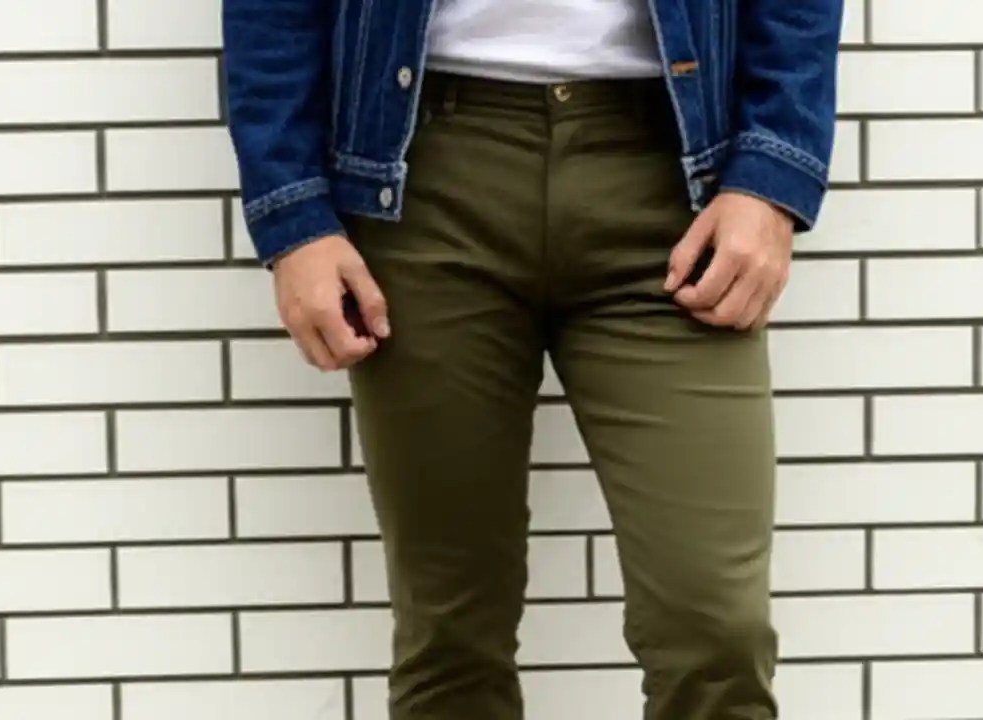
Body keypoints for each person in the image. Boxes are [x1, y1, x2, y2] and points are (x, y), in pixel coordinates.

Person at [223, 0, 842, 717]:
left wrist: (771, 175)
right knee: (450, 638)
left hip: (672, 189)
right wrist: (293, 217)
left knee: (714, 630)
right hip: (423, 180)